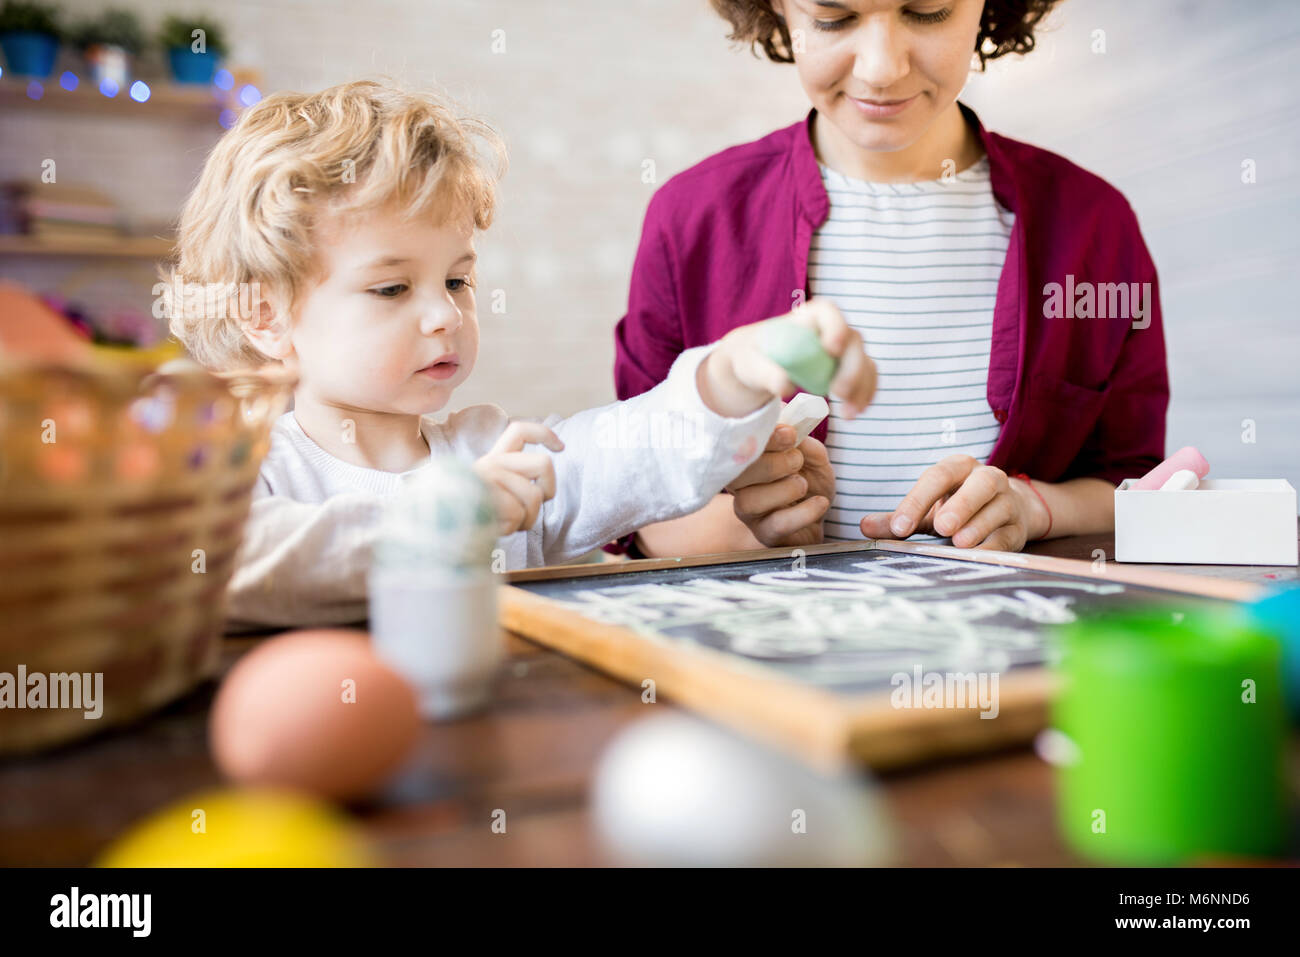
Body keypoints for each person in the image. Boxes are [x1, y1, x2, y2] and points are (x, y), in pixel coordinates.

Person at [164, 80, 877, 628]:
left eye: (457, 279)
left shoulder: (492, 451)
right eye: (390, 288)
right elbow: (239, 560)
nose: (445, 313)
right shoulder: (253, 465)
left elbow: (629, 448)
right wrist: (449, 516)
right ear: (265, 316)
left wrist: (735, 370)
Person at [613, 0, 1167, 557]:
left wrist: (1035, 507)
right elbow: (634, 496)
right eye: (833, 17)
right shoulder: (689, 218)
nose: (881, 70)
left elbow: (1135, 490)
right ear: (779, 9)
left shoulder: (1094, 224)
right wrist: (748, 530)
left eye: (929, 12)